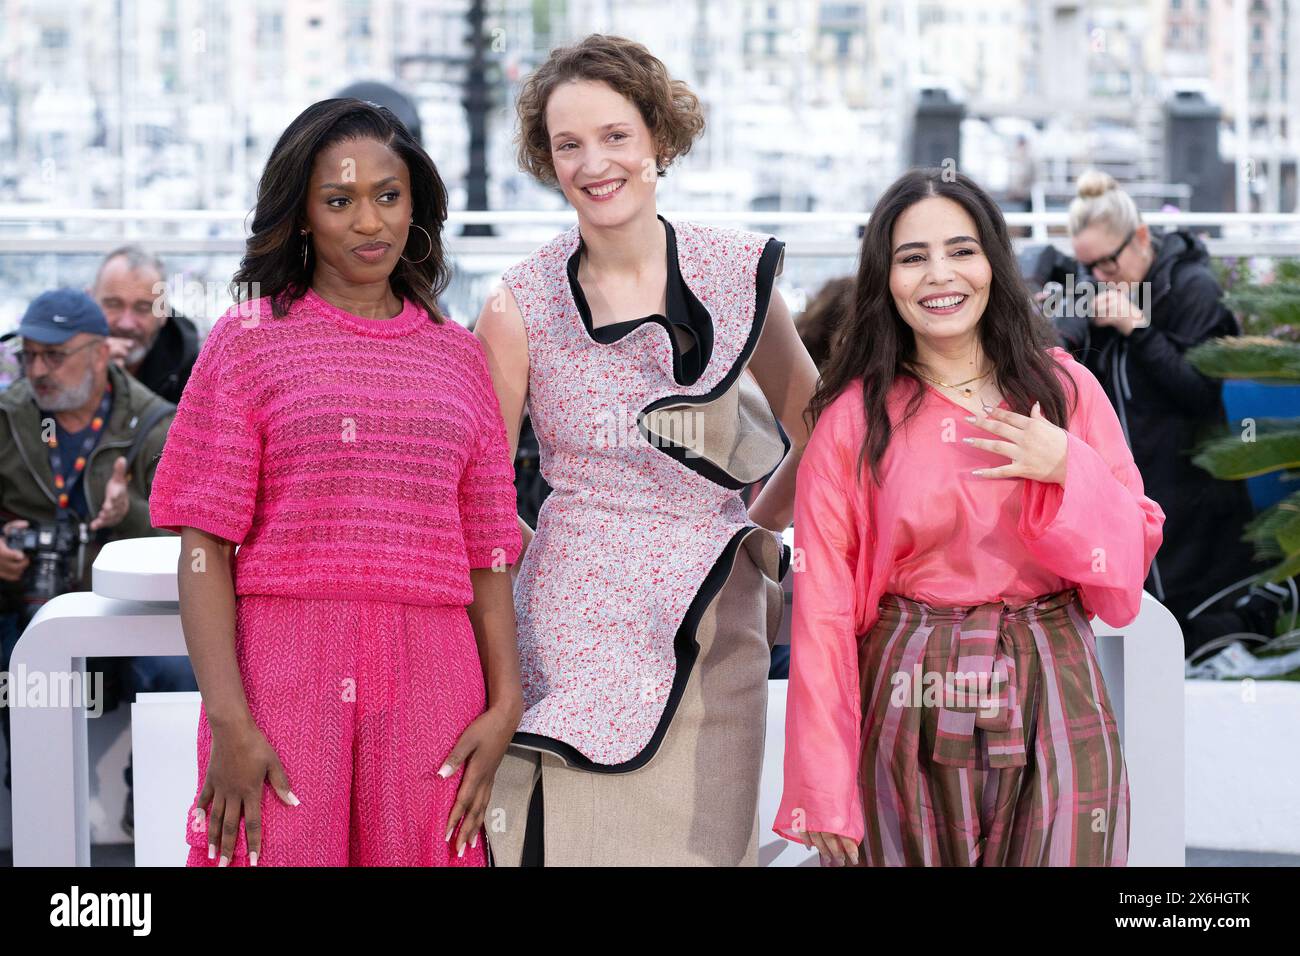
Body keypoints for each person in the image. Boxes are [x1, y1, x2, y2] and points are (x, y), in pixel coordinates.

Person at [147, 98, 522, 867]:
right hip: (282, 670)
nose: (369, 222)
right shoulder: (248, 341)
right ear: (303, 214)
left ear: (415, 204)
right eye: (339, 200)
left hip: (434, 677)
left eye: (388, 196)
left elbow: (489, 550)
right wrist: (230, 722)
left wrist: (507, 703)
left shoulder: (459, 358)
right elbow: (203, 546)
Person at [475, 34, 819, 866]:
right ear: (547, 160)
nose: (596, 162)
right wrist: (545, 571)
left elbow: (823, 426)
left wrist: (753, 532)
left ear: (658, 138)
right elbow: (480, 495)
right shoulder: (516, 307)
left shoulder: (738, 272)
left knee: (710, 845)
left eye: (616, 135)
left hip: (716, 620)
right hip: (572, 636)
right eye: (569, 144)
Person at [773, 169, 1165, 867]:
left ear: (994, 263)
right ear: (885, 279)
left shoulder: (1065, 389)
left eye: (961, 250)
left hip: (1054, 673)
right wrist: (824, 787)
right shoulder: (851, 423)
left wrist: (1068, 468)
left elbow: (1126, 573)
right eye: (912, 257)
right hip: (905, 689)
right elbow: (822, 615)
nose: (939, 275)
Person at [1061, 170, 1263, 652]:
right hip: (1139, 484)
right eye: (1089, 268)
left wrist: (1139, 329)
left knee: (1196, 625)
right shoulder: (1103, 289)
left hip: (1195, 489)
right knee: (1143, 627)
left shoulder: (1194, 289)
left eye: (1108, 264)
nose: (1100, 278)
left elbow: (1200, 392)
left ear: (1142, 238)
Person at [0, 289, 178, 793]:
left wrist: (128, 514)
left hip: (125, 613)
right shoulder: (8, 418)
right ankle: (38, 802)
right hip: (23, 604)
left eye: (53, 355)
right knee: (22, 662)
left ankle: (152, 799)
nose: (37, 370)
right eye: (28, 354)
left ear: (101, 352)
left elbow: (191, 545)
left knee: (173, 668)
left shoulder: (154, 424)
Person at [89, 245, 200, 405]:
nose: (126, 324)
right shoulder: (62, 352)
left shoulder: (191, 372)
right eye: (113, 304)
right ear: (91, 300)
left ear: (163, 314)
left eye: (143, 308)